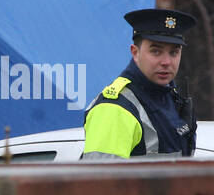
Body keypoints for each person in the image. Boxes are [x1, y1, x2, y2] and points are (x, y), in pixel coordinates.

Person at [81, 8, 197, 160]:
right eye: (156, 51)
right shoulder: (115, 108)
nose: (166, 62)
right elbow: (99, 181)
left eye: (174, 52)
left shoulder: (170, 97)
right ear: (135, 52)